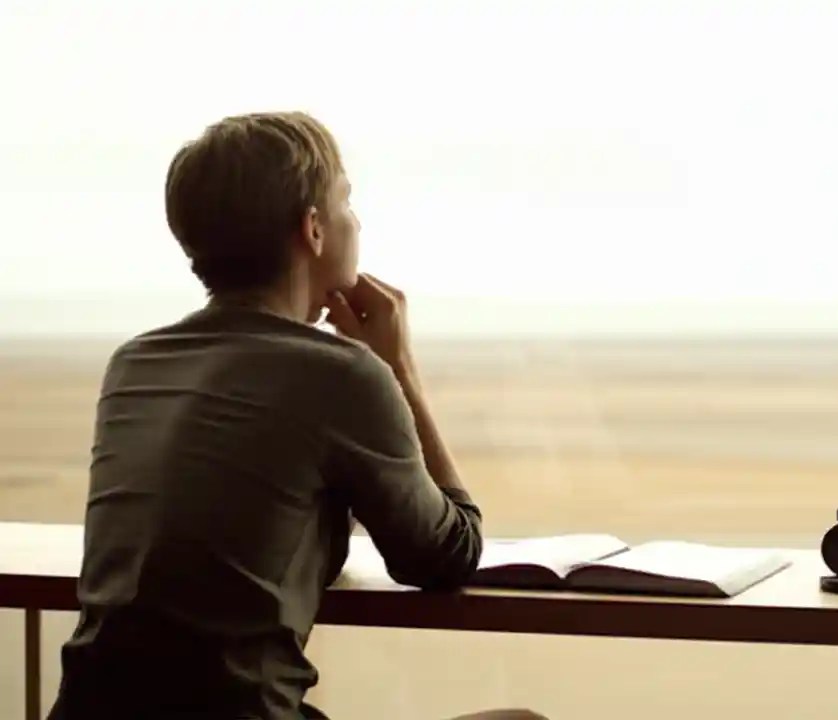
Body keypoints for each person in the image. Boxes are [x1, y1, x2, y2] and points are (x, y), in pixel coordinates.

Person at [48, 112, 546, 720]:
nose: (356, 222)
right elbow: (446, 554)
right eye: (346, 203)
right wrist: (398, 367)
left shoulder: (133, 365)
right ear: (313, 229)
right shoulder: (341, 375)